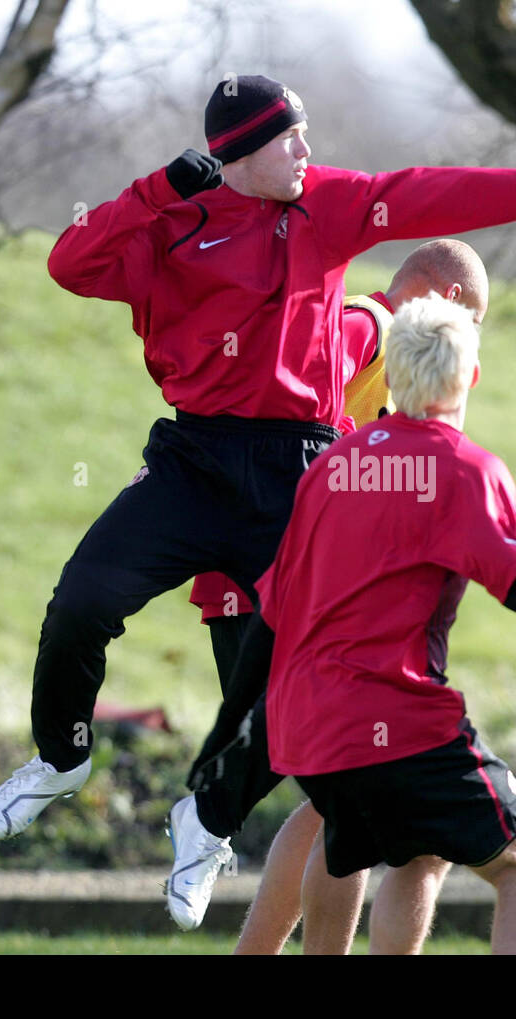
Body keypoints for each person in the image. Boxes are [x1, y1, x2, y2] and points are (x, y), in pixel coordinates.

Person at [0, 72, 516, 844]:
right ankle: (61, 761)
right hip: (192, 458)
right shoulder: (172, 217)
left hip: (296, 473)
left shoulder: (324, 203)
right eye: (289, 137)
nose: (307, 149)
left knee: (296, 686)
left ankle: (208, 820)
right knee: (79, 604)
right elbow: (70, 264)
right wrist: (155, 191)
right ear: (242, 152)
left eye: (306, 132)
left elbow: (437, 194)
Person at [201, 293, 516, 953]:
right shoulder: (466, 467)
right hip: (401, 717)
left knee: (403, 849)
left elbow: (274, 612)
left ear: (393, 370)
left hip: (312, 725)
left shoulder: (330, 467)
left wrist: (232, 732)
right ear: (470, 375)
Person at [183, 241, 488, 949]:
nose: (474, 340)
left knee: (334, 799)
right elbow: (294, 408)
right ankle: (207, 835)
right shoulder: (368, 327)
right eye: (473, 317)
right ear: (442, 299)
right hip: (281, 589)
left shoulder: (402, 365)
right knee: (350, 802)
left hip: (282, 590)